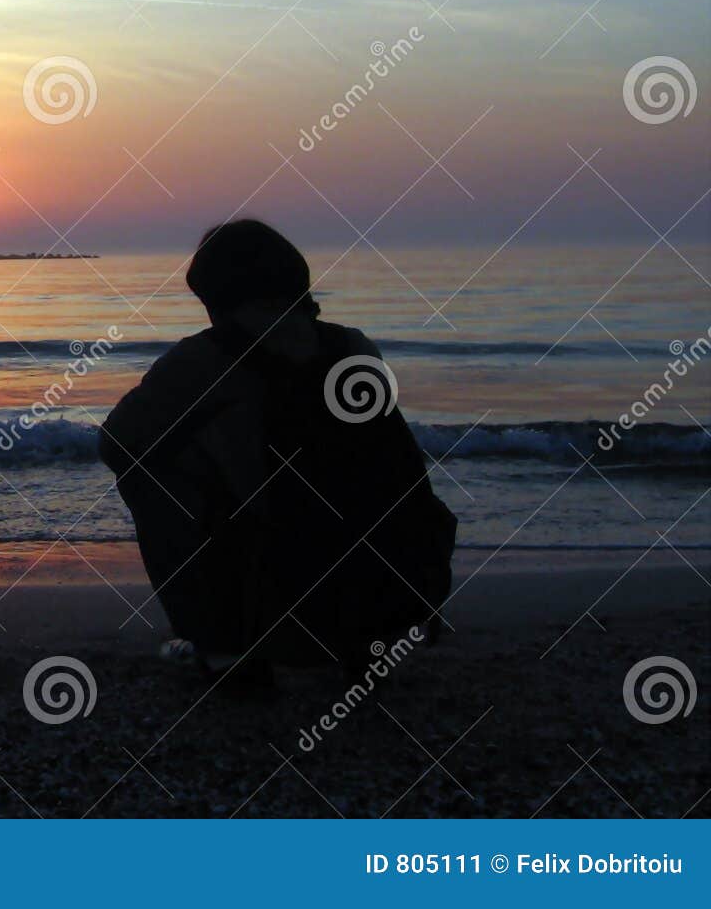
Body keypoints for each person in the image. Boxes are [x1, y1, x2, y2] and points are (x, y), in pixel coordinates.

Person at [99, 220, 455, 686]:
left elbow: (116, 442)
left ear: (217, 296)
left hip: (283, 603)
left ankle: (227, 655)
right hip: (396, 597)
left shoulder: (204, 359)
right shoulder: (355, 347)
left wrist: (209, 464)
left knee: (144, 472)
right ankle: (364, 648)